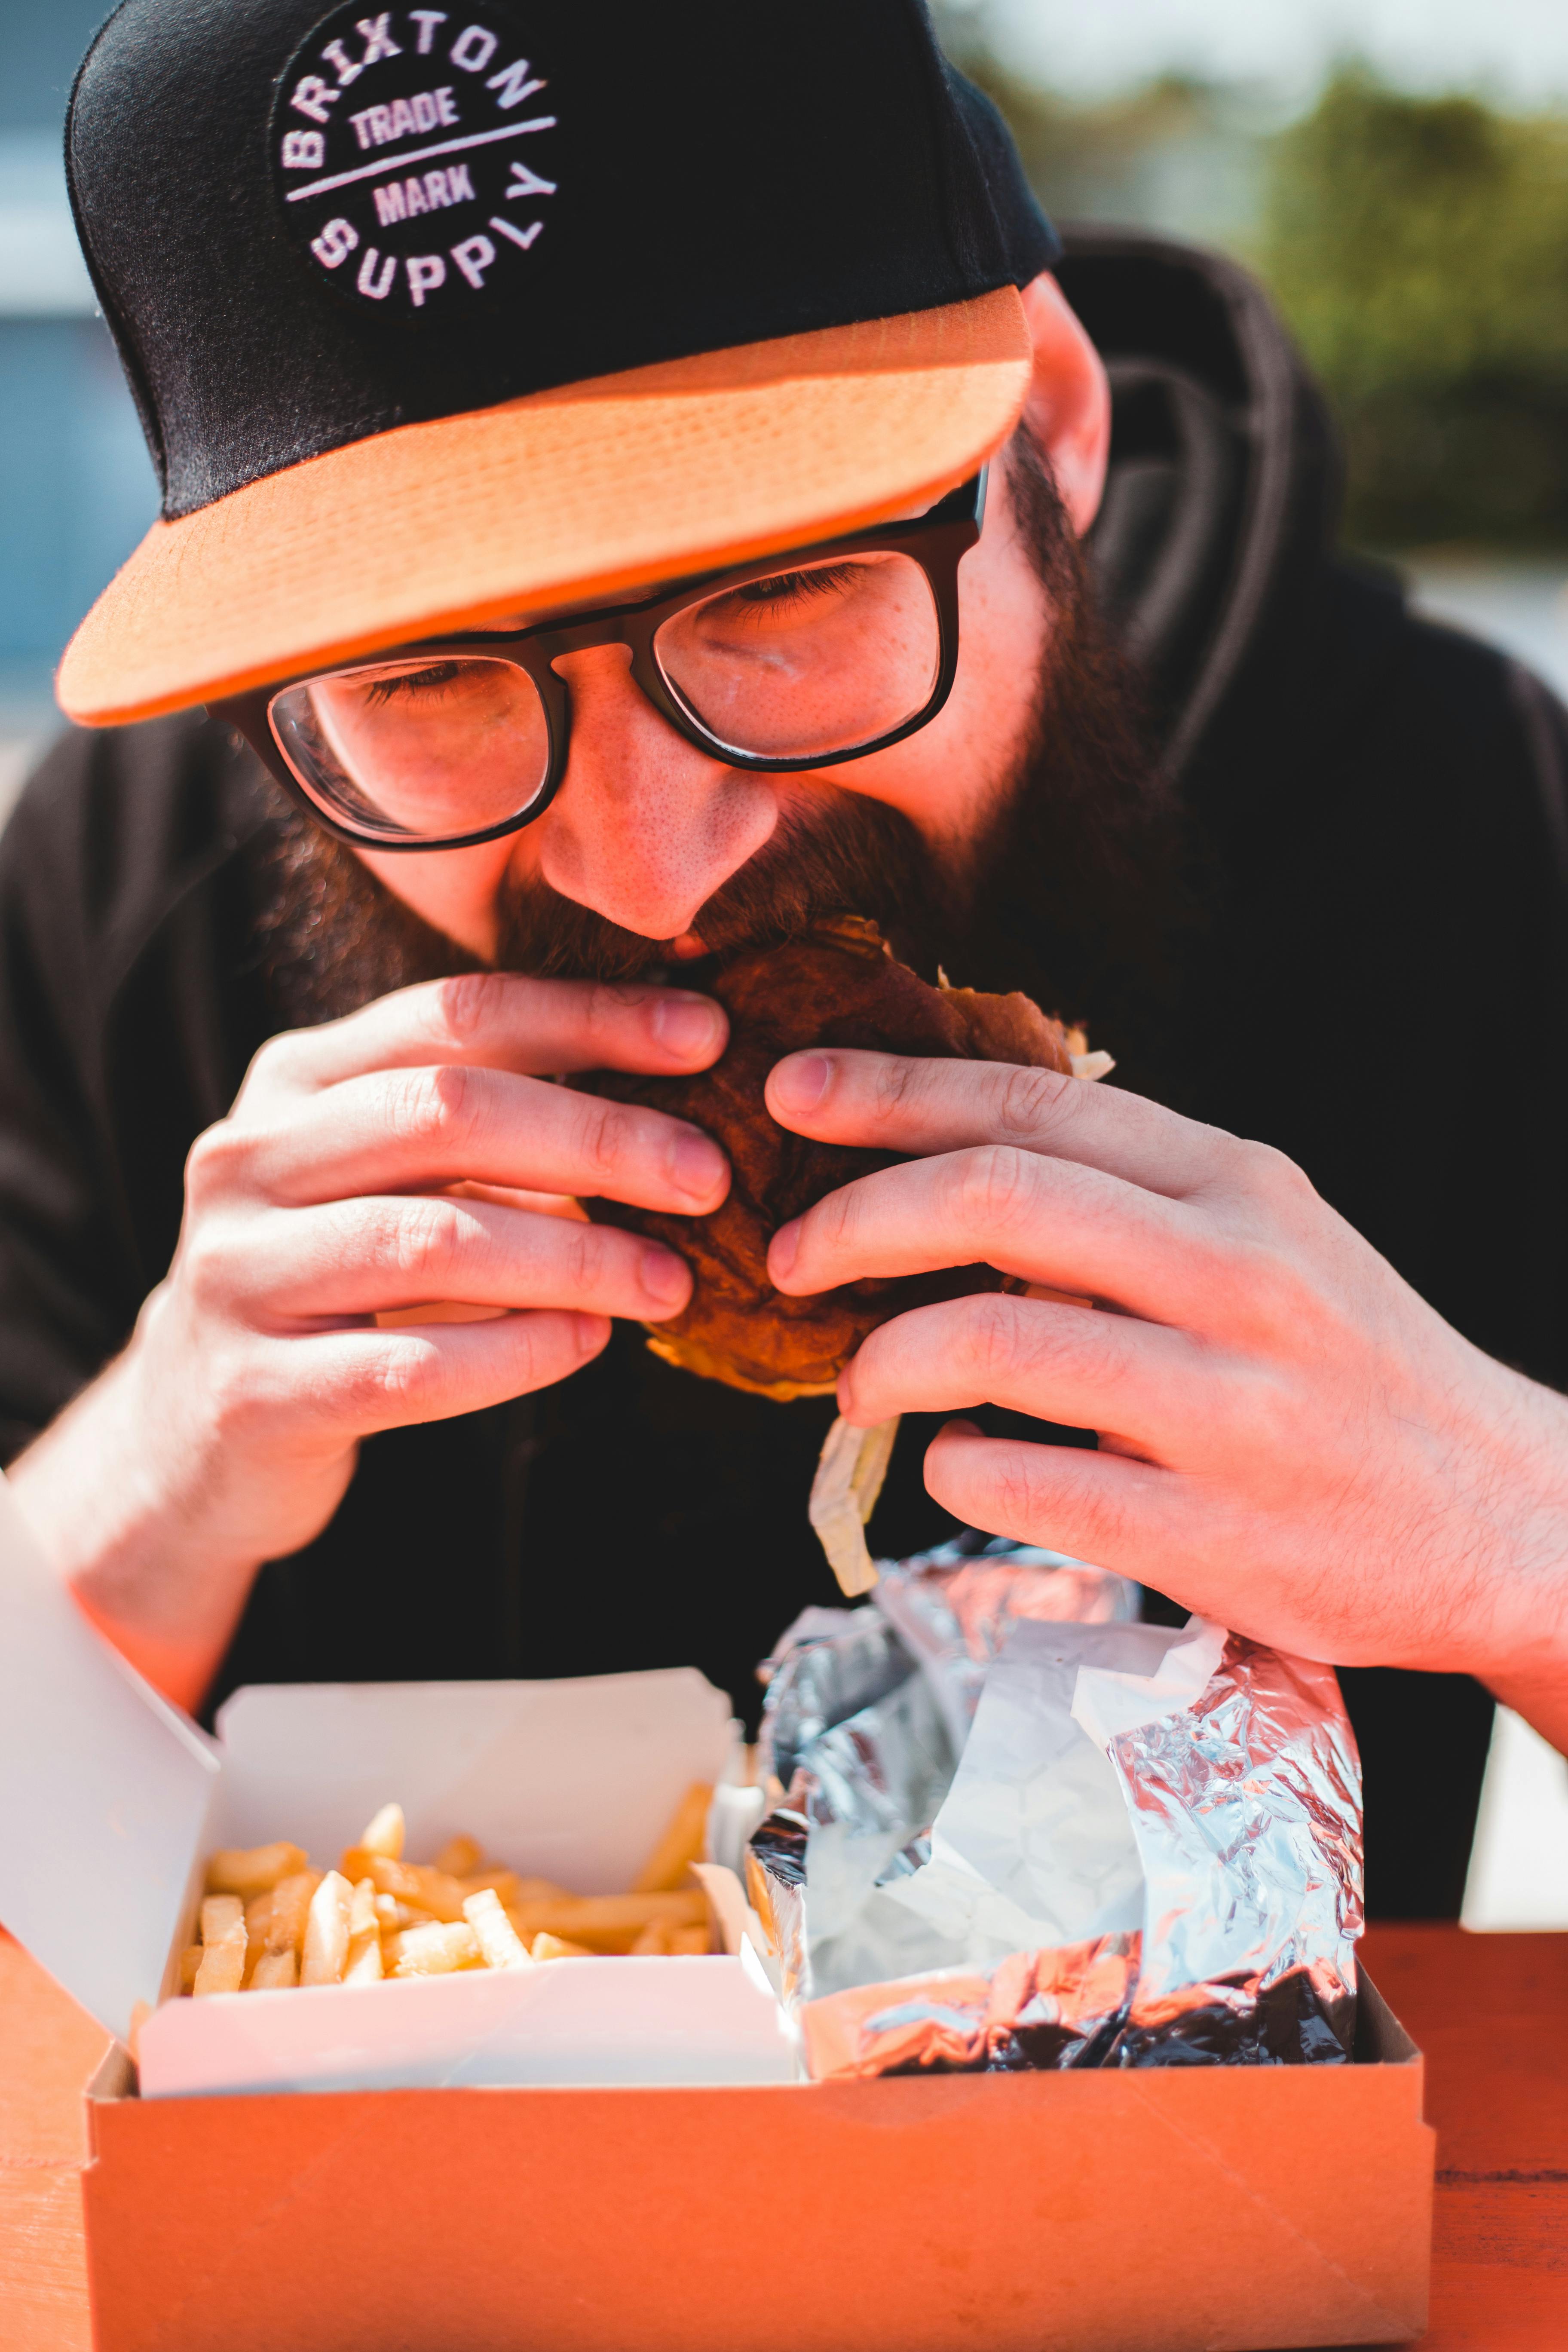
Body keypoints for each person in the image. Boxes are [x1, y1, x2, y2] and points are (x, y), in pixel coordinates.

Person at [3, 0, 1565, 1919]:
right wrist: (144, 1482)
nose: (657, 870)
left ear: (1051, 430)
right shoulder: (126, 882)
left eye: (778, 593)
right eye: (428, 681)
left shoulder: (1473, 815)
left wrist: (1521, 1544)